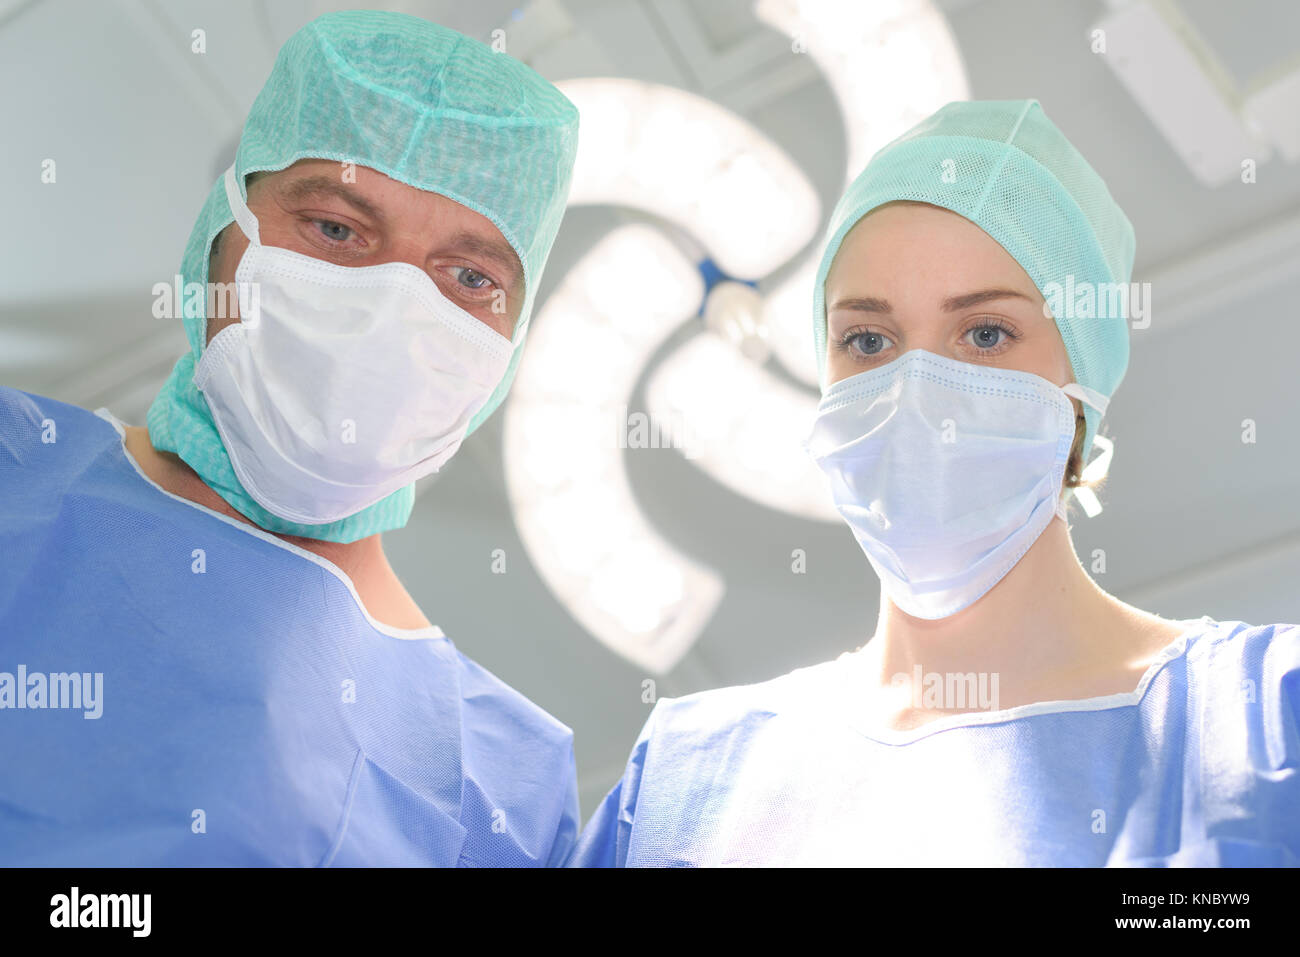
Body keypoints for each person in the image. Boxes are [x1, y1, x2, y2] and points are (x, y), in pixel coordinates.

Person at [566, 99, 1300, 867]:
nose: (918, 387)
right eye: (868, 340)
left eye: (984, 334)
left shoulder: (1257, 722)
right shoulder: (688, 778)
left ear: (1080, 396)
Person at [0, 10, 580, 866]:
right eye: (336, 228)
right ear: (220, 234)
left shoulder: (506, 788)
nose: (389, 306)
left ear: (511, 344)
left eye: (468, 277)